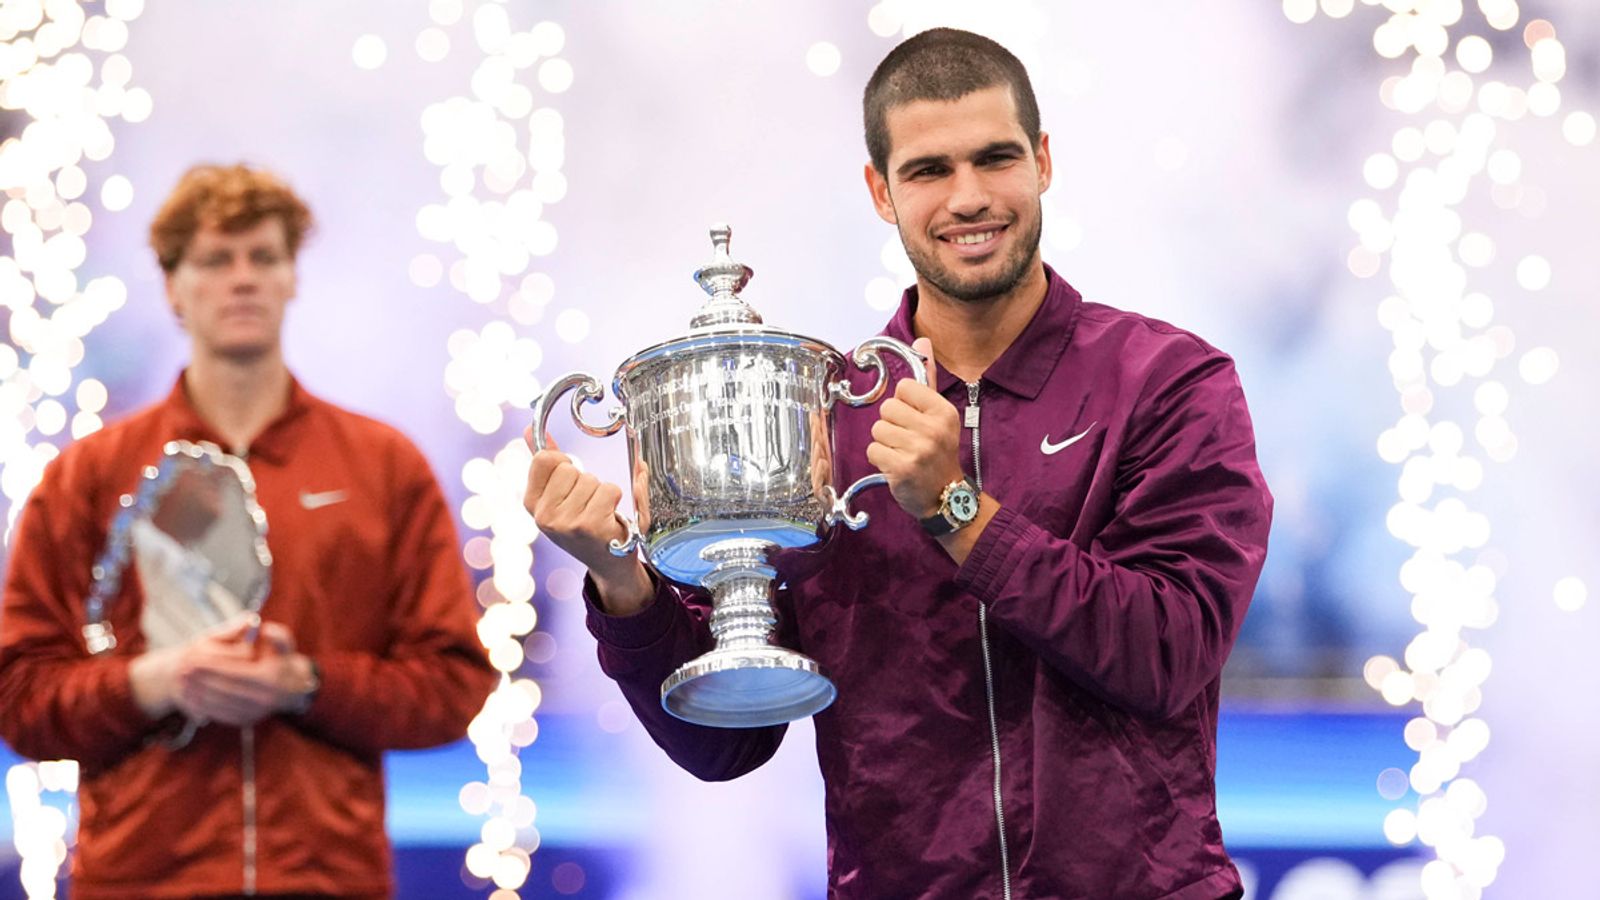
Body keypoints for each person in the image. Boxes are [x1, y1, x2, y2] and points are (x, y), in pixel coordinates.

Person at [525, 28, 1271, 900]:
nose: (968, 198)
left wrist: (958, 512)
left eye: (994, 160)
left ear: (1042, 163)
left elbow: (1168, 656)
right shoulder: (822, 417)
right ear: (881, 191)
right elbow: (726, 742)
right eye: (928, 171)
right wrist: (624, 589)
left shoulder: (1167, 381)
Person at [0, 164, 497, 899]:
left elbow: (454, 685)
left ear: (293, 277)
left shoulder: (381, 466)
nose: (243, 279)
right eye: (214, 260)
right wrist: (157, 681)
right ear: (171, 285)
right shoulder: (90, 475)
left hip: (330, 878)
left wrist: (306, 684)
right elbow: (19, 697)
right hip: (140, 880)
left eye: (264, 257)